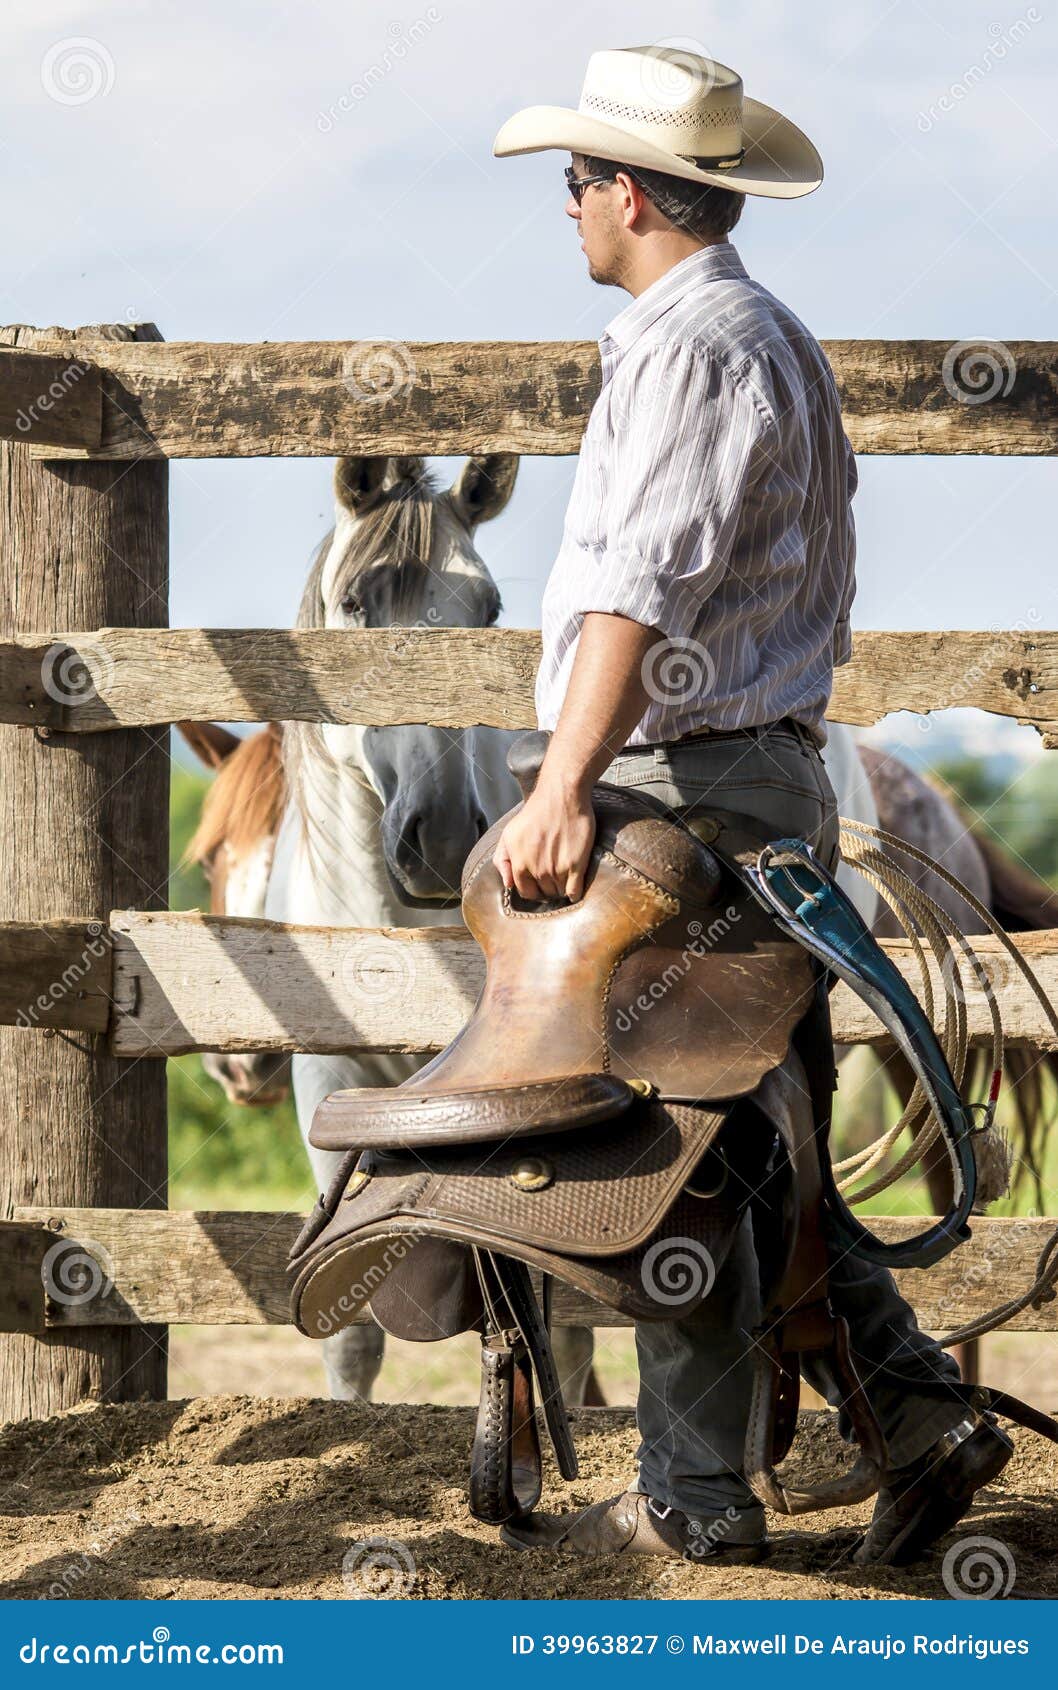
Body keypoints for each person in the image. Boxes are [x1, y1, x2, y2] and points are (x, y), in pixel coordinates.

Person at [489, 45, 1013, 1567]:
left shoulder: (688, 348)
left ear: (636, 193)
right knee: (754, 1144)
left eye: (579, 181)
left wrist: (563, 784)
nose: (569, 207)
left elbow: (632, 595)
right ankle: (910, 1414)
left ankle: (695, 1495)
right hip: (753, 774)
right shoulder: (756, 336)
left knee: (675, 1144)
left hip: (685, 781)